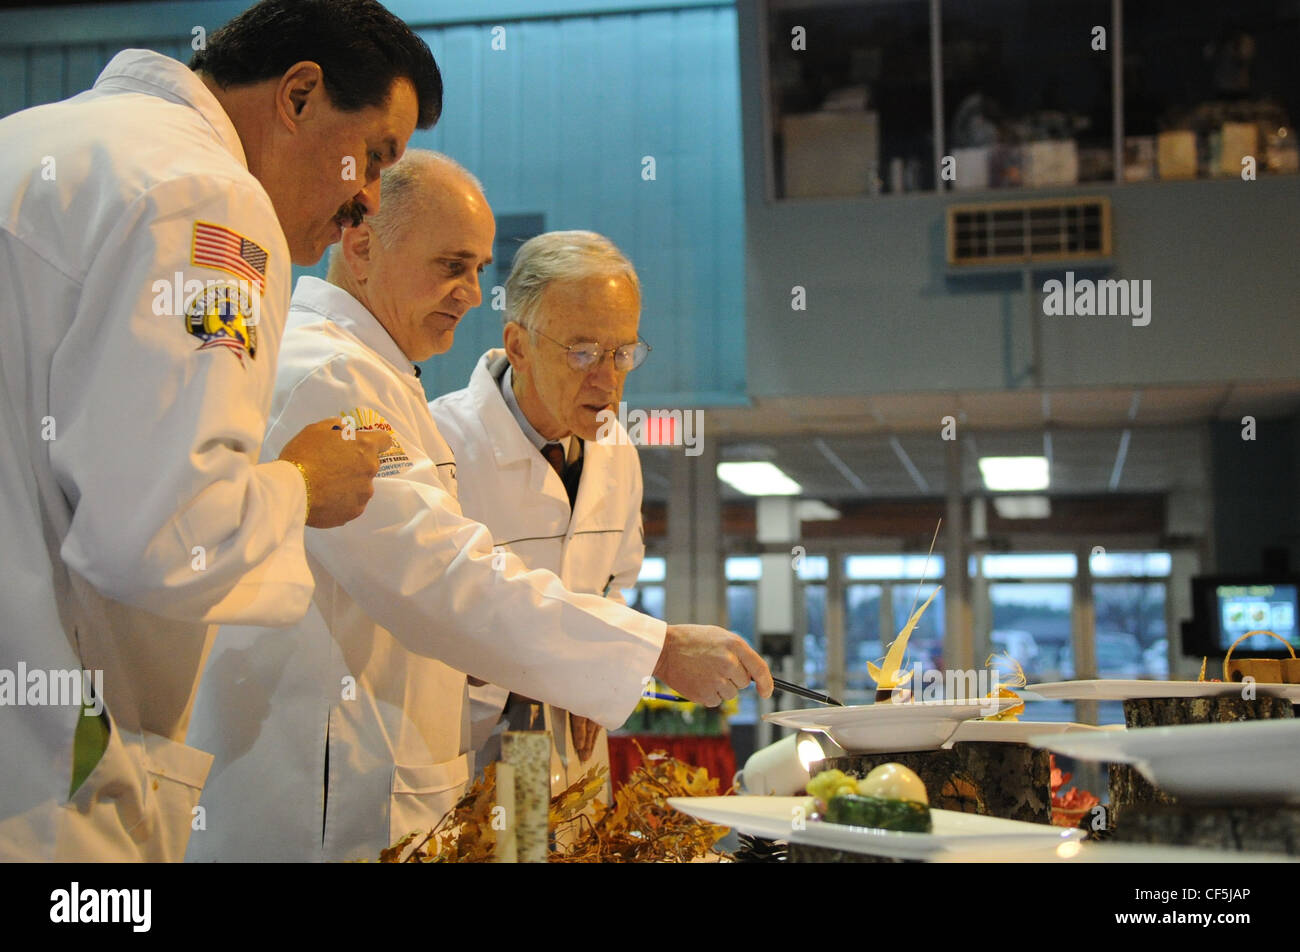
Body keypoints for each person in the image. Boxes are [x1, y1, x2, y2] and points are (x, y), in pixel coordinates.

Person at [186, 151, 772, 861]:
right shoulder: (338, 374)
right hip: (340, 791)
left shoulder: (382, 376)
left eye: (478, 270)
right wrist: (655, 649)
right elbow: (442, 576)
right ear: (362, 244)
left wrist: (603, 665)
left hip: (489, 758)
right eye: (449, 265)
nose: (469, 291)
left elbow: (603, 576)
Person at [0, 0, 440, 861]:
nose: (366, 202)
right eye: (376, 157)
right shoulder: (209, 201)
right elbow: (164, 536)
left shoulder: (29, 143)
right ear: (300, 95)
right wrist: (303, 485)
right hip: (39, 787)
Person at [430, 231, 651, 804]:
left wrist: (594, 664)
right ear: (519, 344)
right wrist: (533, 669)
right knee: (504, 846)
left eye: (622, 352)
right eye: (581, 351)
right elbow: (417, 606)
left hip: (571, 757)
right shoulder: (440, 441)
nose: (607, 379)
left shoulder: (616, 450)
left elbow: (614, 582)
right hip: (468, 747)